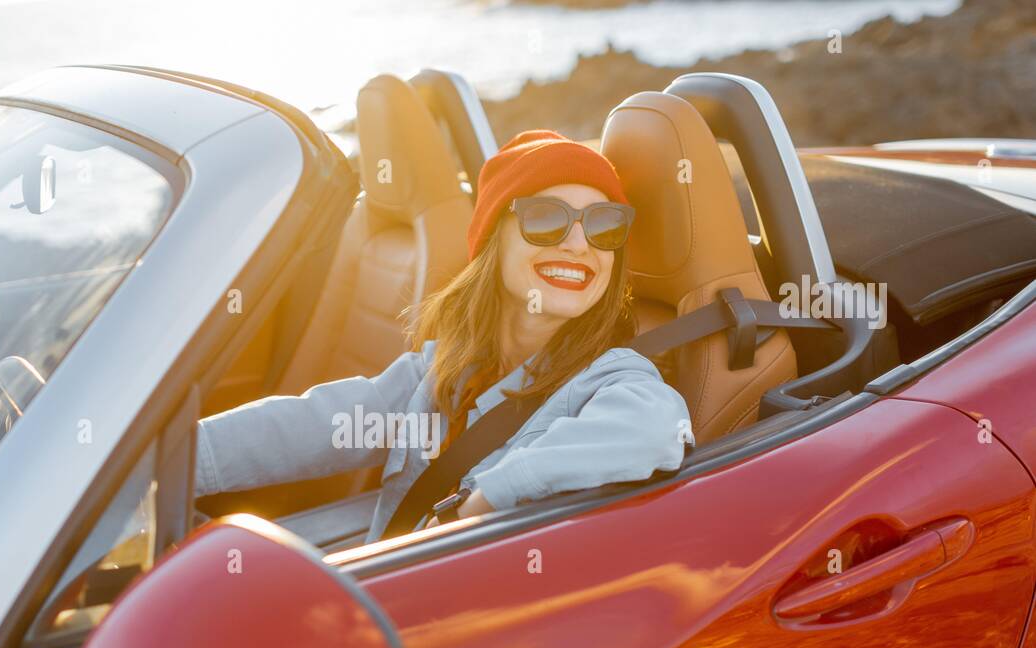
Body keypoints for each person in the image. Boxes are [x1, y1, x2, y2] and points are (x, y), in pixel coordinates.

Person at [194, 130, 694, 542]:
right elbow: (311, 424)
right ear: (492, 243)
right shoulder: (440, 371)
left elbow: (654, 426)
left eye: (604, 225)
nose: (580, 243)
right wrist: (174, 461)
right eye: (546, 219)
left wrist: (486, 499)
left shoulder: (609, 380)